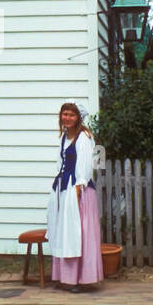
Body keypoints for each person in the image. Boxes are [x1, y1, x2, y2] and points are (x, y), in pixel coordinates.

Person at [46, 101, 103, 290]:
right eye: (65, 114)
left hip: (80, 190)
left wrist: (78, 188)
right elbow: (60, 164)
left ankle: (81, 279)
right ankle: (66, 278)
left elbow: (86, 167)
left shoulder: (83, 138)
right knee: (65, 232)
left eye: (71, 115)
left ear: (78, 117)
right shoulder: (64, 137)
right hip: (65, 188)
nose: (67, 118)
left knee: (79, 233)